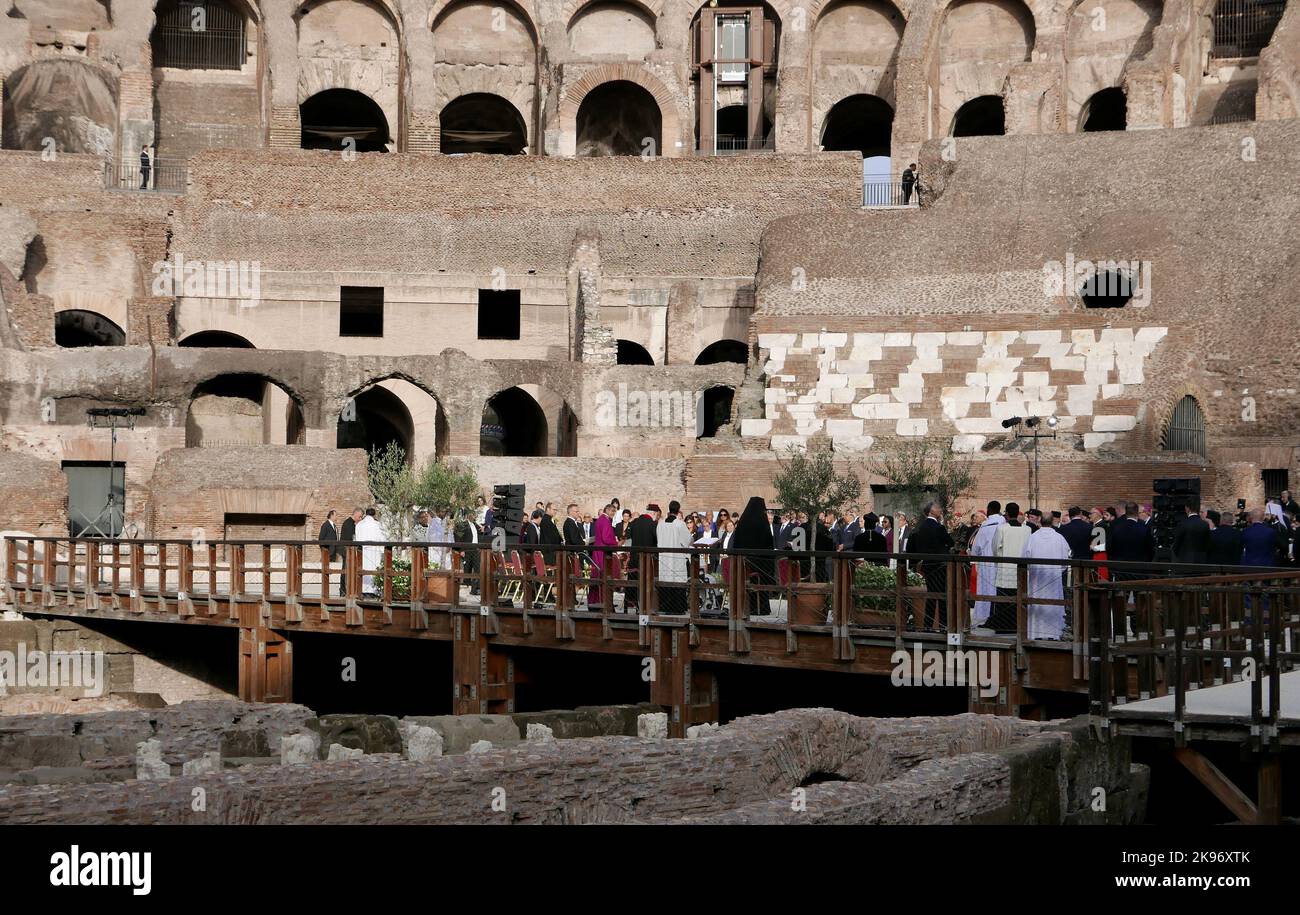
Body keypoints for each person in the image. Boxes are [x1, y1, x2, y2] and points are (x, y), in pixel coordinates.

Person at [1021, 509, 1071, 640]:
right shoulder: (1059, 538)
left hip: (1036, 578)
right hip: (1053, 579)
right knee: (1052, 604)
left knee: (1037, 603)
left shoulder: (1032, 538)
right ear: (1052, 520)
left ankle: (1035, 634)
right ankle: (1054, 634)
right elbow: (1066, 560)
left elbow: (1024, 558)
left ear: (1039, 520)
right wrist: (1057, 570)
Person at [906, 500, 954, 630]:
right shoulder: (938, 527)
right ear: (932, 511)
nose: (940, 510)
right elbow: (950, 542)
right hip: (939, 566)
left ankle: (928, 625)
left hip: (927, 565)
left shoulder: (920, 527)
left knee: (931, 596)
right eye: (938, 508)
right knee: (942, 596)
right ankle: (944, 625)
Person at [989, 502, 1031, 632]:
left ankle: (1003, 626)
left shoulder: (1002, 528)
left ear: (1006, 513)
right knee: (1019, 598)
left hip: (1005, 569)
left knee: (1003, 599)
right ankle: (1018, 626)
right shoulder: (1027, 529)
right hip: (1021, 570)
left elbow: (995, 548)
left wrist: (999, 560)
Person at [731, 496, 774, 616]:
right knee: (760, 584)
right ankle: (761, 609)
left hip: (743, 564)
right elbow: (769, 543)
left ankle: (744, 607)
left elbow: (736, 543)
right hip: (760, 564)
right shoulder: (762, 523)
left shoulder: (743, 522)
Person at [969, 501, 1005, 629]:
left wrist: (974, 556)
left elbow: (976, 548)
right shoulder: (1004, 524)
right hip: (1001, 562)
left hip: (985, 563)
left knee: (985, 589)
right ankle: (998, 616)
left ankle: (984, 616)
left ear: (989, 510)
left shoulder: (984, 527)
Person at [656, 500, 691, 614]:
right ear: (678, 510)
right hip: (677, 558)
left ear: (669, 509)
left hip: (664, 557)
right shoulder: (680, 524)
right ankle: (678, 608)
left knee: (666, 579)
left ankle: (665, 607)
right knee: (677, 580)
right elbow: (687, 540)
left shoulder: (660, 524)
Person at [354, 507, 387, 598]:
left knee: (364, 568)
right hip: (374, 550)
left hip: (363, 550)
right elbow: (382, 538)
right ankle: (374, 590)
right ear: (374, 514)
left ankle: (363, 590)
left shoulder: (359, 524)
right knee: (374, 569)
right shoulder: (377, 524)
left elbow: (357, 537)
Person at [591, 503, 619, 608]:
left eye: (614, 512)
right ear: (607, 510)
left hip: (597, 551)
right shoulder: (606, 521)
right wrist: (616, 543)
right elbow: (606, 538)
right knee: (604, 575)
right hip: (603, 553)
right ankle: (604, 600)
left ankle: (595, 600)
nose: (613, 514)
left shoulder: (599, 519)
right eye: (612, 511)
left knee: (597, 575)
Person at [337, 507, 363, 596]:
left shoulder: (351, 523)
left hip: (347, 550)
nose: (360, 519)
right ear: (355, 514)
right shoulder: (349, 524)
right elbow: (350, 539)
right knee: (345, 570)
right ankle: (343, 590)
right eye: (359, 516)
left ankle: (345, 590)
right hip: (346, 550)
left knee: (346, 570)